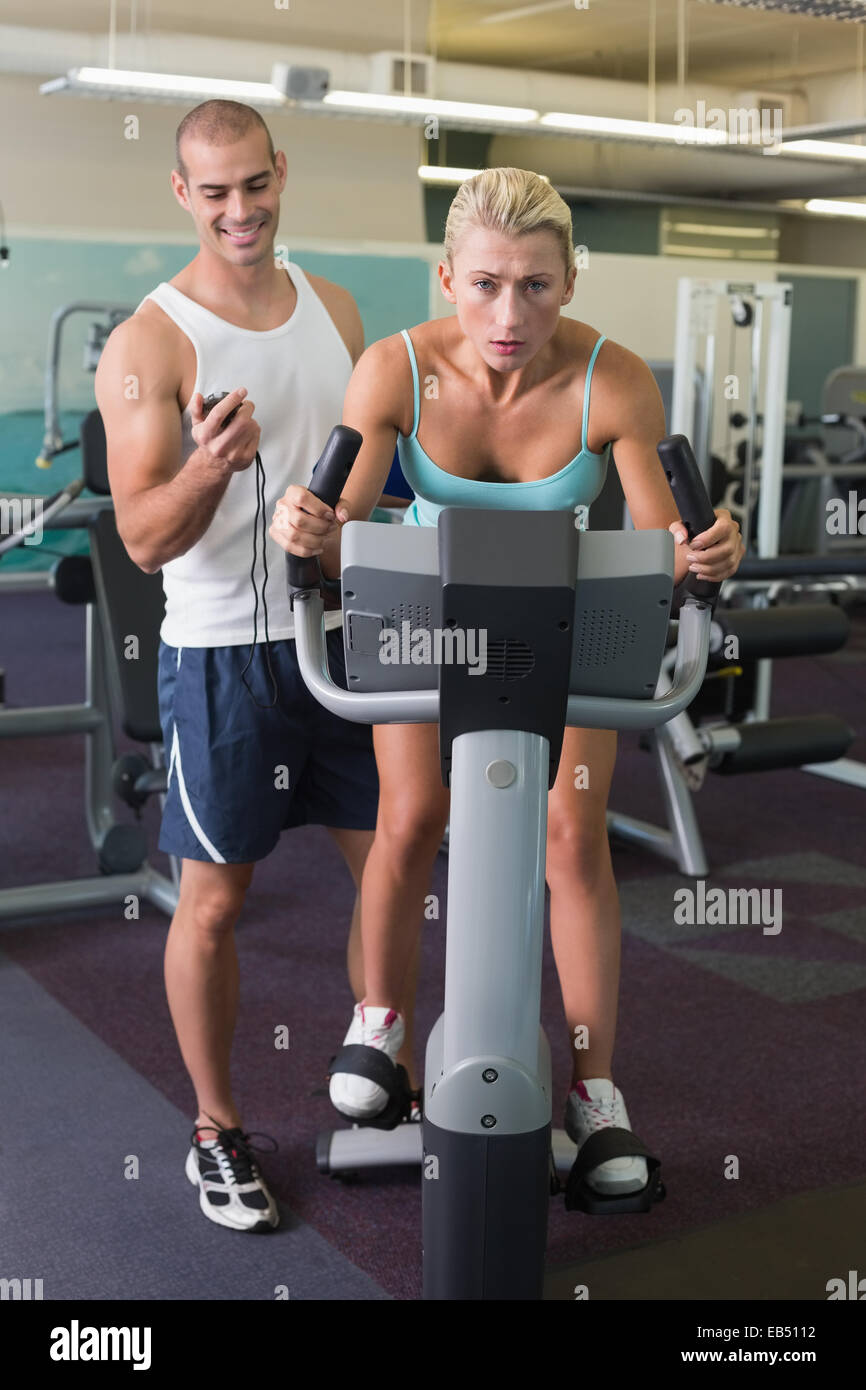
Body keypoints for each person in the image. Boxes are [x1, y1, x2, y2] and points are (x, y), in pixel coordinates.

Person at [270, 166, 744, 1199]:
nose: (507, 313)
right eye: (484, 284)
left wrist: (709, 549)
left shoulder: (609, 380)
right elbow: (343, 526)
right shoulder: (393, 369)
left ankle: (594, 1090)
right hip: (425, 617)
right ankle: (380, 1027)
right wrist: (304, 527)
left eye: (534, 285)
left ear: (568, 281)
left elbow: (668, 541)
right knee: (407, 817)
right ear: (446, 277)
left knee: (572, 839)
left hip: (558, 624)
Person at [95, 99, 416, 1233]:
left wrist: (341, 526)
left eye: (255, 184)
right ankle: (215, 1127)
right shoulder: (151, 343)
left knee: (392, 862)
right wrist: (211, 473)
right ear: (182, 194)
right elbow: (141, 537)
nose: (240, 210)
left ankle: (378, 1068)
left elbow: (365, 479)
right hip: (224, 655)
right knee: (216, 901)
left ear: (282, 172)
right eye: (214, 191)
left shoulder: (335, 309)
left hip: (339, 640)